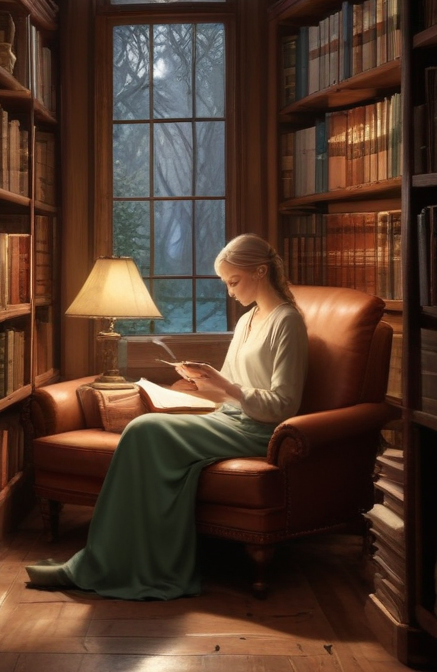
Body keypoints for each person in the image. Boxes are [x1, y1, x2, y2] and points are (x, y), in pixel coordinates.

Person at [25, 233, 308, 599]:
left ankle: (126, 564)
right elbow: (231, 388)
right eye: (224, 283)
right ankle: (113, 558)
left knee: (145, 430)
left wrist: (226, 387)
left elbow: (284, 404)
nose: (229, 291)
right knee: (143, 430)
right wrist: (201, 384)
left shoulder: (288, 323)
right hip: (229, 417)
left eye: (234, 281)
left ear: (261, 270)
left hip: (258, 430)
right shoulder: (248, 319)